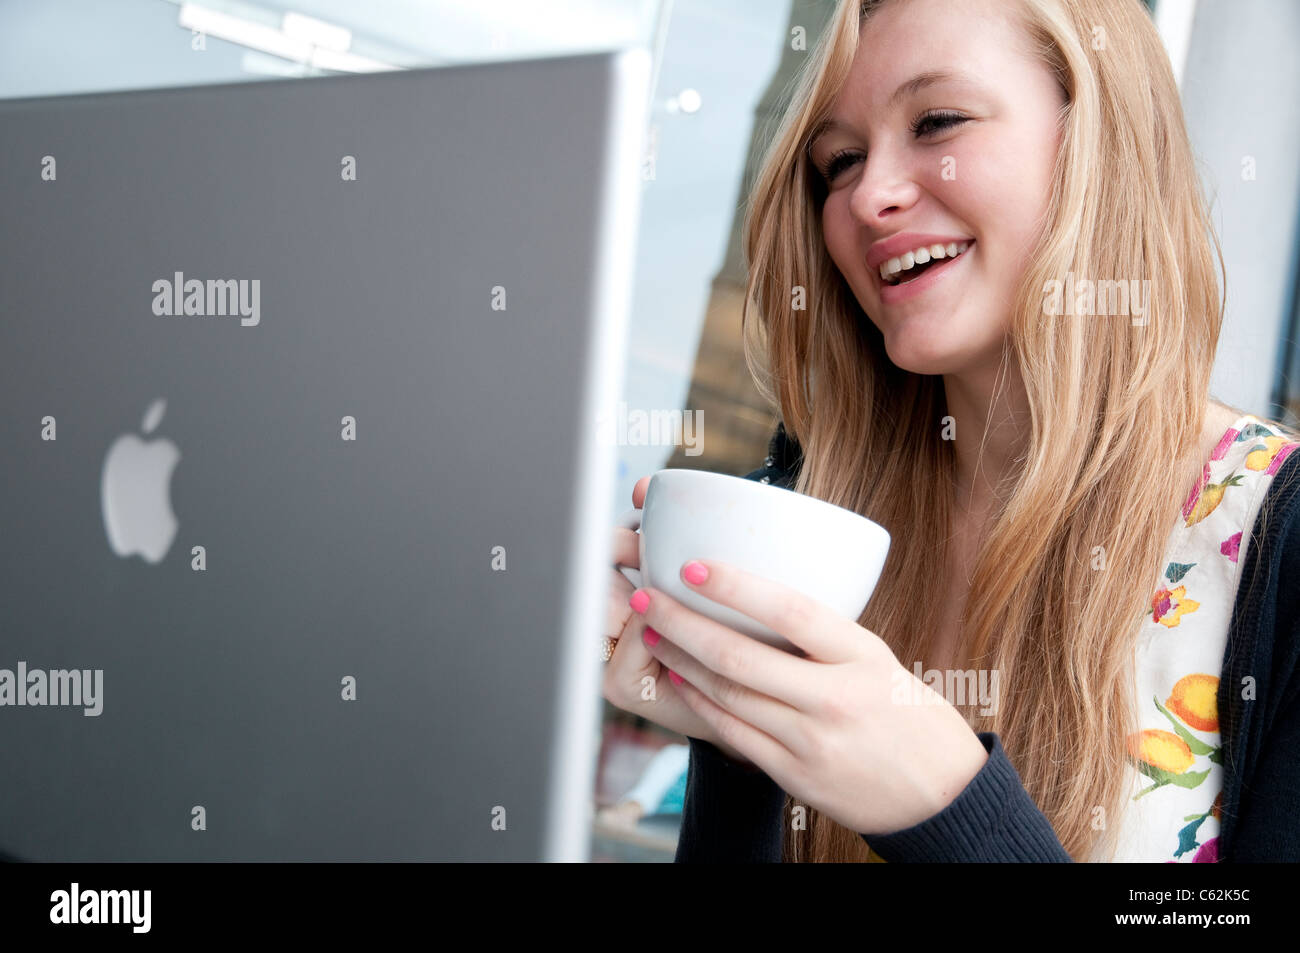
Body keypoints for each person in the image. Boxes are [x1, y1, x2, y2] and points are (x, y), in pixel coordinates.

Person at [601, 0, 1300, 862]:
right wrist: (738, 743)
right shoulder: (818, 527)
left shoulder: (1279, 546)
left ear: (1101, 143)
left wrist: (945, 808)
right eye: (840, 161)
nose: (870, 196)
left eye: (938, 121)